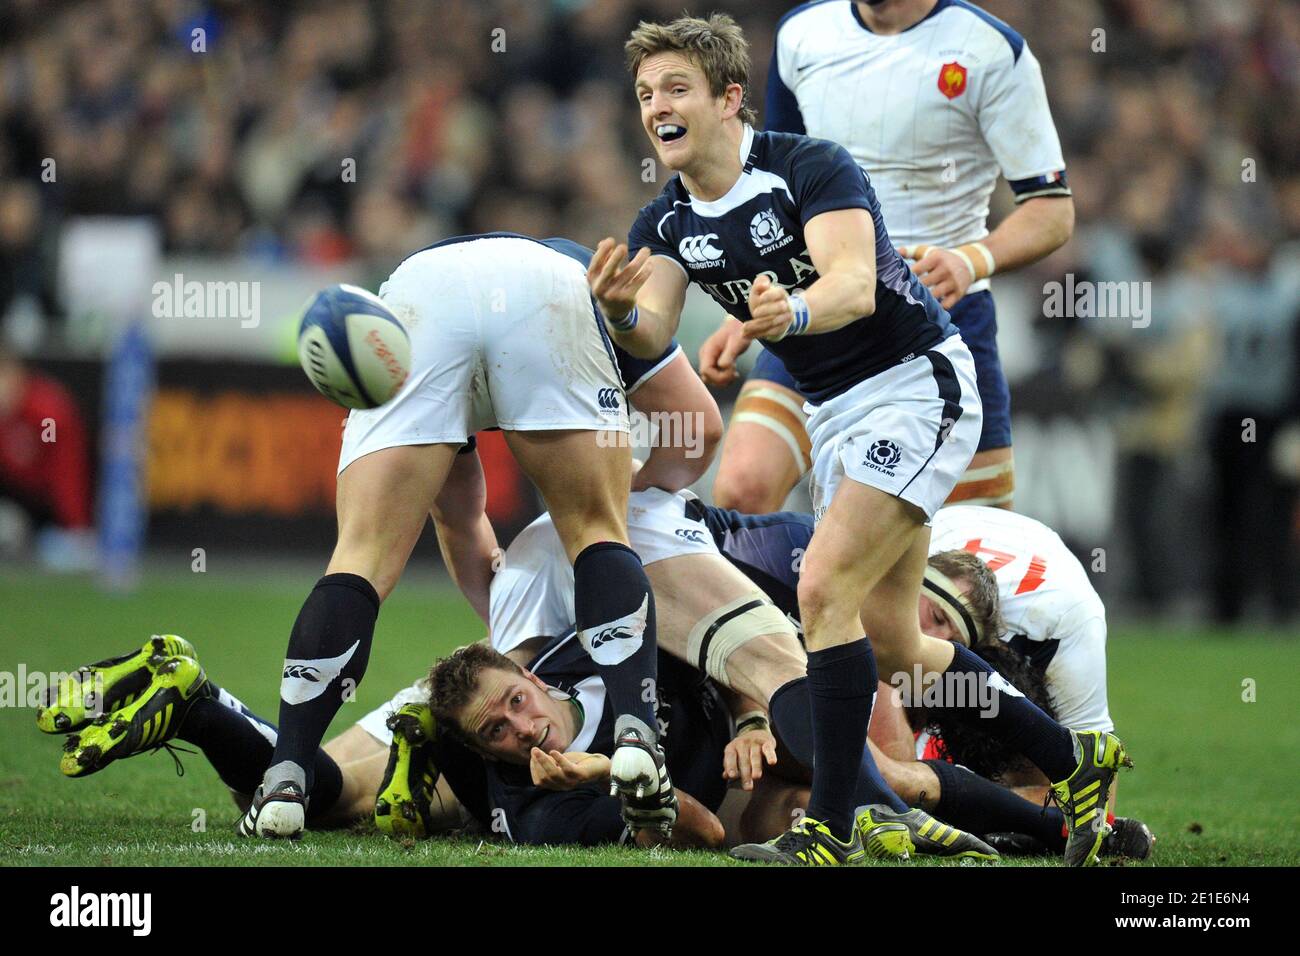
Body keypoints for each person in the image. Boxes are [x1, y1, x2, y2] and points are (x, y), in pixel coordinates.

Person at [587, 13, 1126, 866]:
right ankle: (1075, 759)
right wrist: (621, 310)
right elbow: (654, 327)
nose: (657, 104)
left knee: (823, 590)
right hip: (838, 409)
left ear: (732, 99)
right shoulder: (664, 221)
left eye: (677, 88)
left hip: (919, 382)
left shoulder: (809, 166)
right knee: (893, 641)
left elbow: (853, 285)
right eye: (647, 92)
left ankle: (830, 831)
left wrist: (787, 315)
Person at [248, 232, 714, 839]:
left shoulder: (446, 283)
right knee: (598, 529)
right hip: (546, 291)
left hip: (418, 298)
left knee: (359, 558)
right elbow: (698, 429)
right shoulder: (589, 279)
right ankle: (635, 734)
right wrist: (644, 487)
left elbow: (460, 518)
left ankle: (287, 775)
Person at [699, 0, 1074, 514]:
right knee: (742, 491)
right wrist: (739, 309)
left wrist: (971, 260)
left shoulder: (991, 49)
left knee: (965, 553)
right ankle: (813, 593)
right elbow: (772, 185)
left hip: (939, 318)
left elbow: (1051, 210)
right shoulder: (803, 34)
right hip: (821, 309)